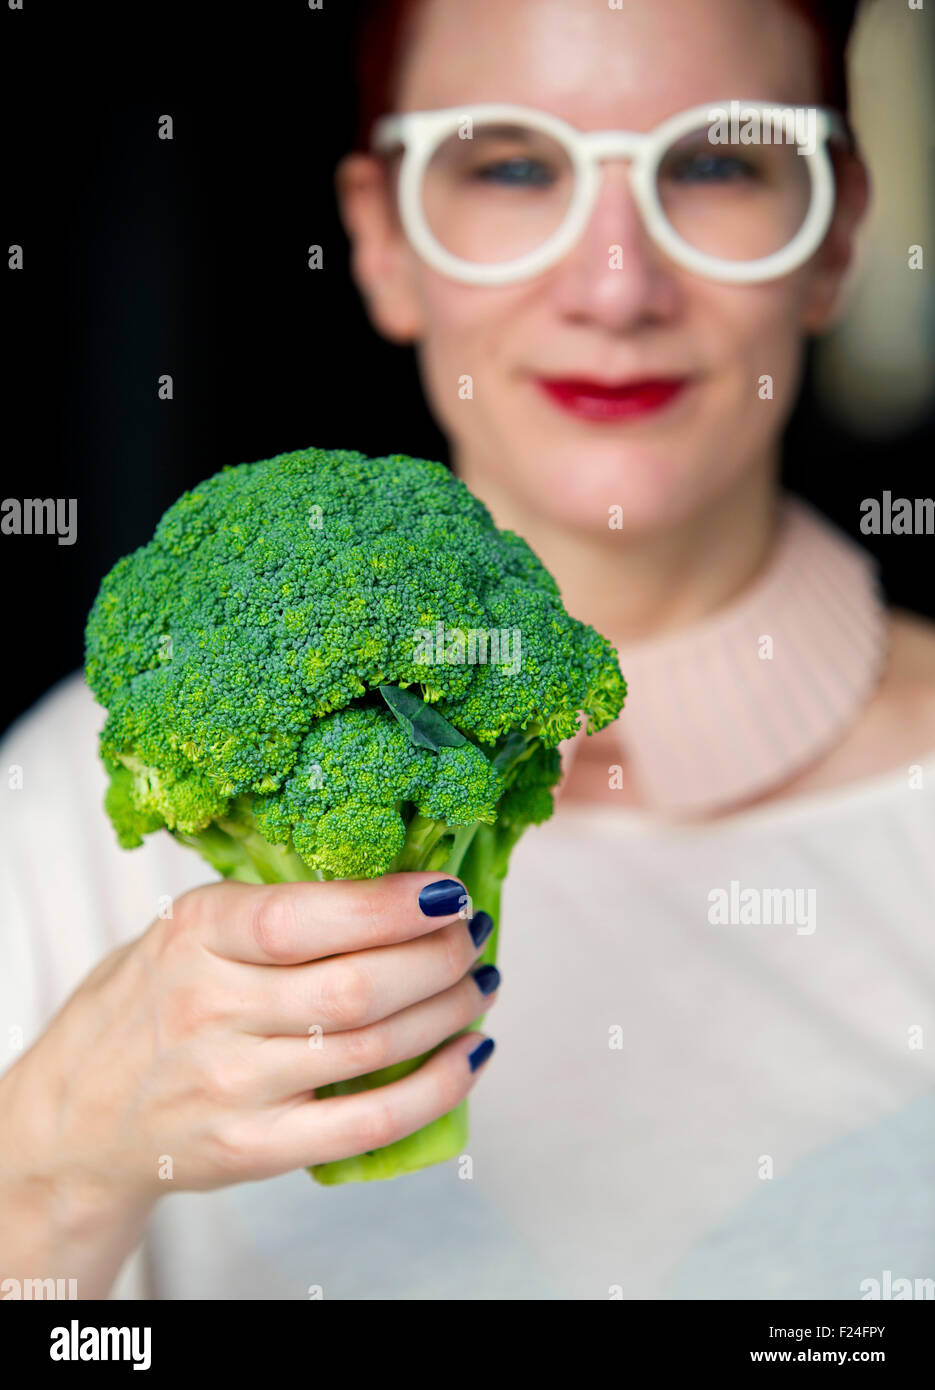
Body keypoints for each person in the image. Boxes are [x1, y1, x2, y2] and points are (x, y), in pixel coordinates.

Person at [2, 0, 934, 1301]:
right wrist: (49, 1164)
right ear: (382, 244)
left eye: (717, 162)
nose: (616, 285)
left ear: (835, 233)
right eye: (514, 166)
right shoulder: (56, 820)